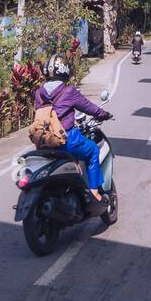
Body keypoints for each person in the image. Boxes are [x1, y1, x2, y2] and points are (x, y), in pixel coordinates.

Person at [34, 55, 111, 203]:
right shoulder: (68, 91)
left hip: (44, 140)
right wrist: (104, 114)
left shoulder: (38, 93)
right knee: (93, 151)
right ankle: (94, 192)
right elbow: (89, 107)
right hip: (67, 139)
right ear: (65, 71)